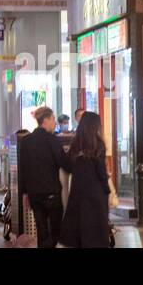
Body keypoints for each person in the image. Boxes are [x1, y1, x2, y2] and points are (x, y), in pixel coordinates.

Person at [18, 106, 70, 249]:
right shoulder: (52, 140)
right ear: (45, 120)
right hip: (52, 193)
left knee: (42, 231)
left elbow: (23, 169)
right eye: (53, 119)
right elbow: (65, 164)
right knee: (55, 232)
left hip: (34, 194)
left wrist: (24, 193)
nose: (55, 123)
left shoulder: (27, 141)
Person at [59, 111, 113, 248]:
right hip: (95, 195)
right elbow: (101, 172)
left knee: (79, 232)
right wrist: (107, 191)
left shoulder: (76, 145)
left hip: (78, 193)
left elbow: (67, 166)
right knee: (96, 233)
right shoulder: (98, 144)